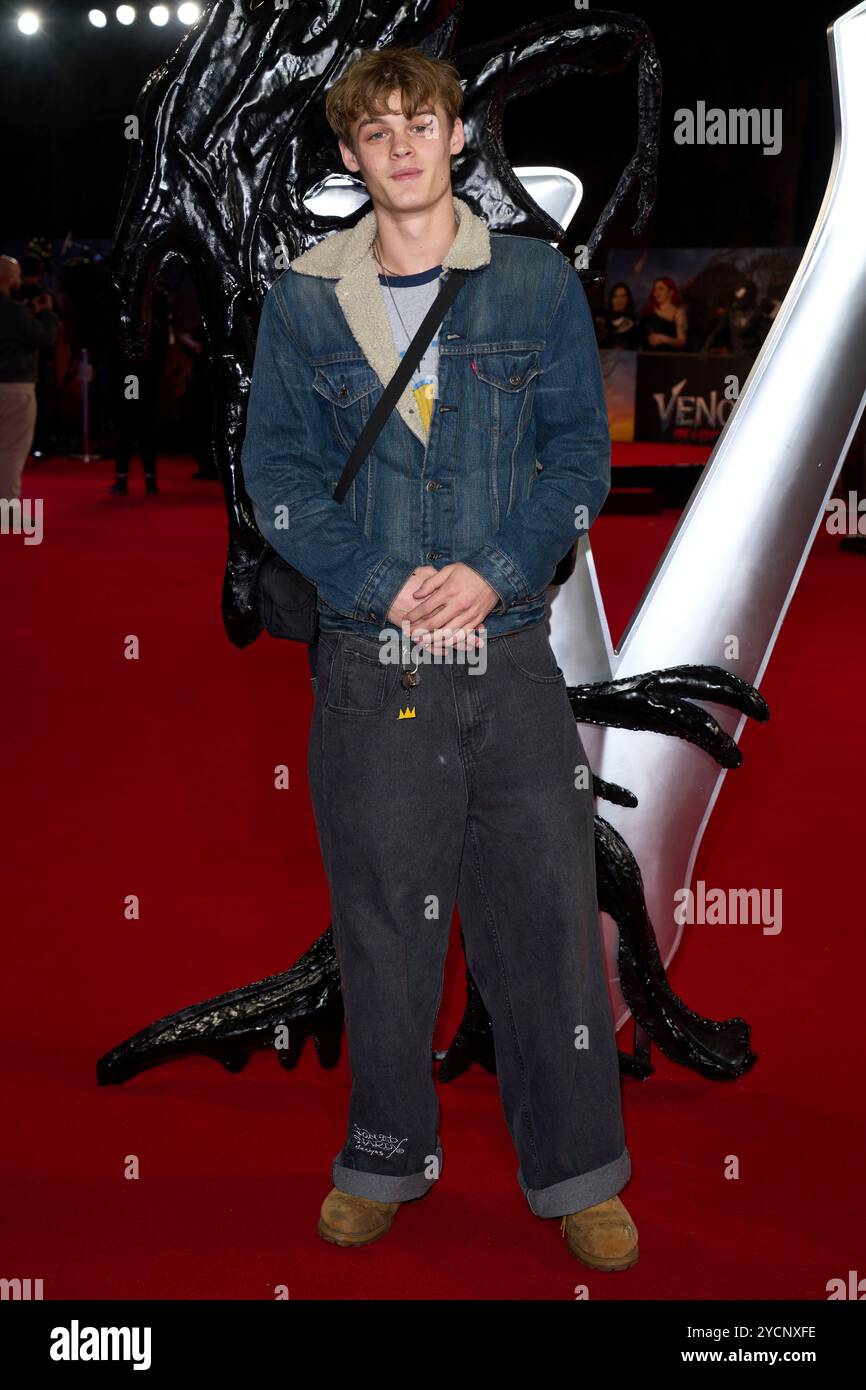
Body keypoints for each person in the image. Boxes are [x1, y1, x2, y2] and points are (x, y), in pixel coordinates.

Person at [241, 47, 638, 1271]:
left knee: (545, 928)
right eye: (376, 133)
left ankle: (576, 1173)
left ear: (458, 138)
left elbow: (580, 462)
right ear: (352, 157)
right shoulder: (304, 297)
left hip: (510, 659)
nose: (402, 146)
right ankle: (381, 1153)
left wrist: (498, 571)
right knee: (382, 931)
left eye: (422, 123)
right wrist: (379, 585)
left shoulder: (532, 283)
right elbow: (278, 482)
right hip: (369, 667)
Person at [0, 255, 59, 501]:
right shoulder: (13, 311)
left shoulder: (17, 311)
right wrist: (47, 315)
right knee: (12, 453)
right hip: (15, 387)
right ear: (8, 278)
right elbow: (44, 338)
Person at [640, 275, 688, 350]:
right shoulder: (648, 311)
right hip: (647, 355)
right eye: (655, 290)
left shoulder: (678, 313)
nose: (657, 293)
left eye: (661, 289)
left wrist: (664, 339)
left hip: (667, 357)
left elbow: (682, 342)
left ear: (671, 292)